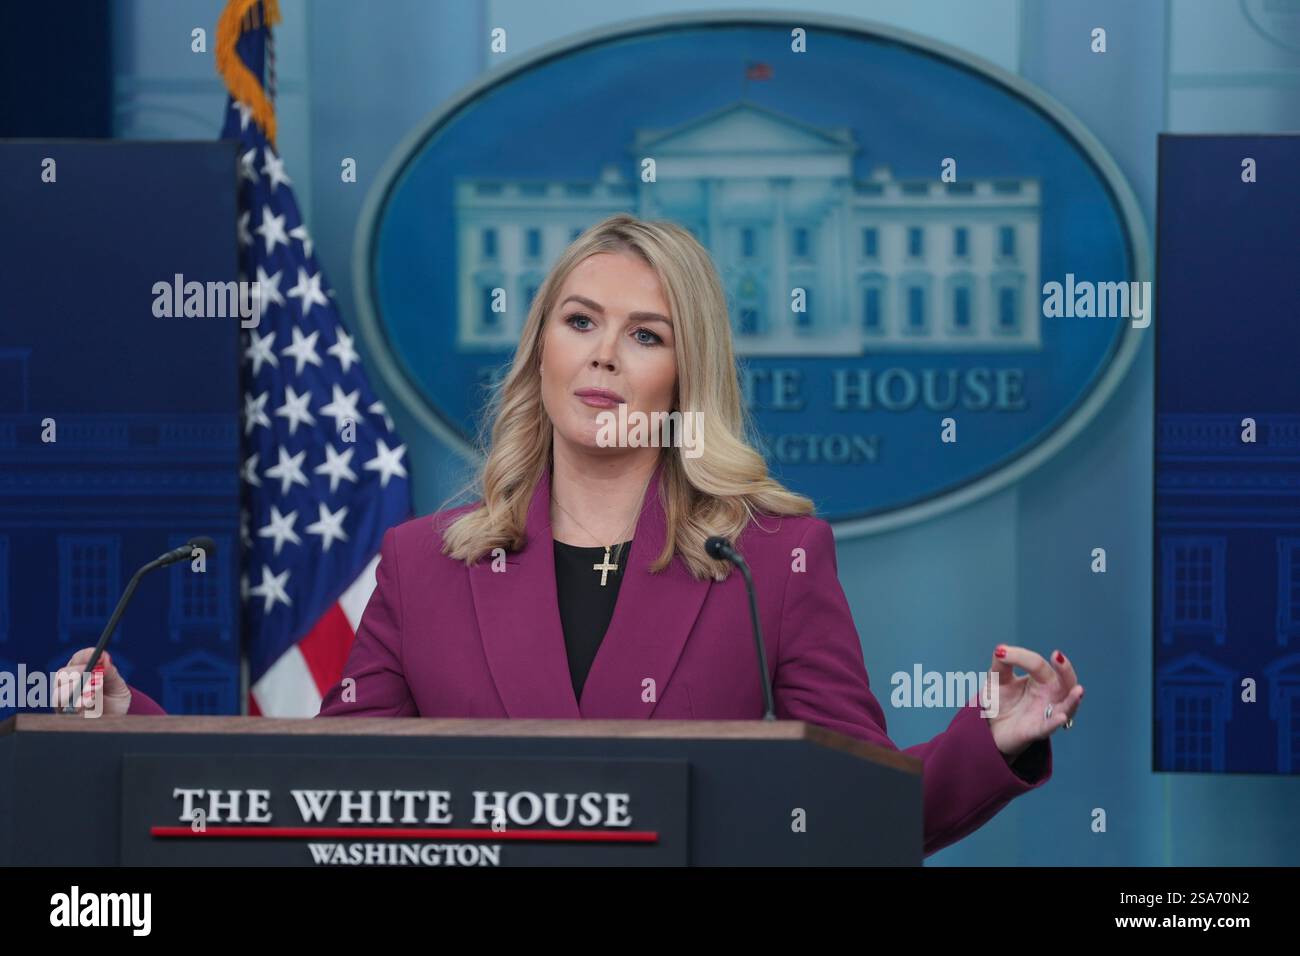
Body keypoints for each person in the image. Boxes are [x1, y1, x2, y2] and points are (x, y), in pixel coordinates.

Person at [57, 213, 1083, 857]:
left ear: (685, 375)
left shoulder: (771, 555)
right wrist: (129, 717)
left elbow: (861, 813)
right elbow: (321, 794)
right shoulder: (424, 562)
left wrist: (989, 740)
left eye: (645, 334)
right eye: (579, 320)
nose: (604, 356)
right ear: (539, 349)